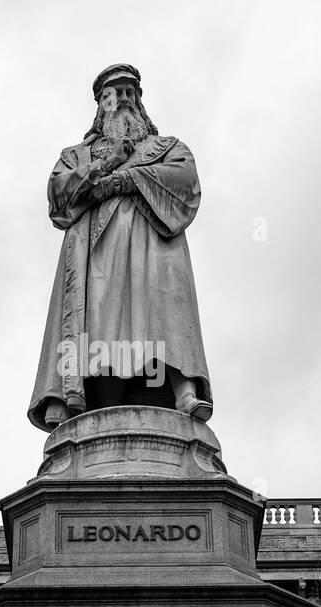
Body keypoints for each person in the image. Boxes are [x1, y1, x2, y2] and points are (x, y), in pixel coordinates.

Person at [29, 64, 212, 429]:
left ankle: (184, 388)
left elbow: (185, 180)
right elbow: (58, 198)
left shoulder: (166, 147)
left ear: (140, 101)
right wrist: (104, 164)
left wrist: (128, 177)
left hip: (155, 243)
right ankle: (98, 405)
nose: (124, 99)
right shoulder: (77, 155)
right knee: (103, 317)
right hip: (96, 248)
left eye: (131, 92)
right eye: (115, 94)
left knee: (165, 309)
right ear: (101, 104)